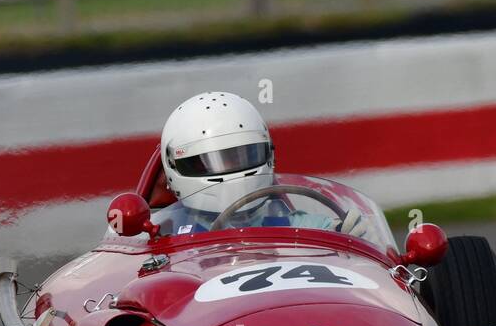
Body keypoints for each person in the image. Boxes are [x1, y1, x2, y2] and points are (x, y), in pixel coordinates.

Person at [157, 91, 366, 236]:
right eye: (208, 162)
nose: (231, 171)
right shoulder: (163, 236)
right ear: (175, 165)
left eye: (241, 156)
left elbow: (326, 234)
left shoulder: (296, 226)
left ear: (267, 152)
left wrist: (342, 237)